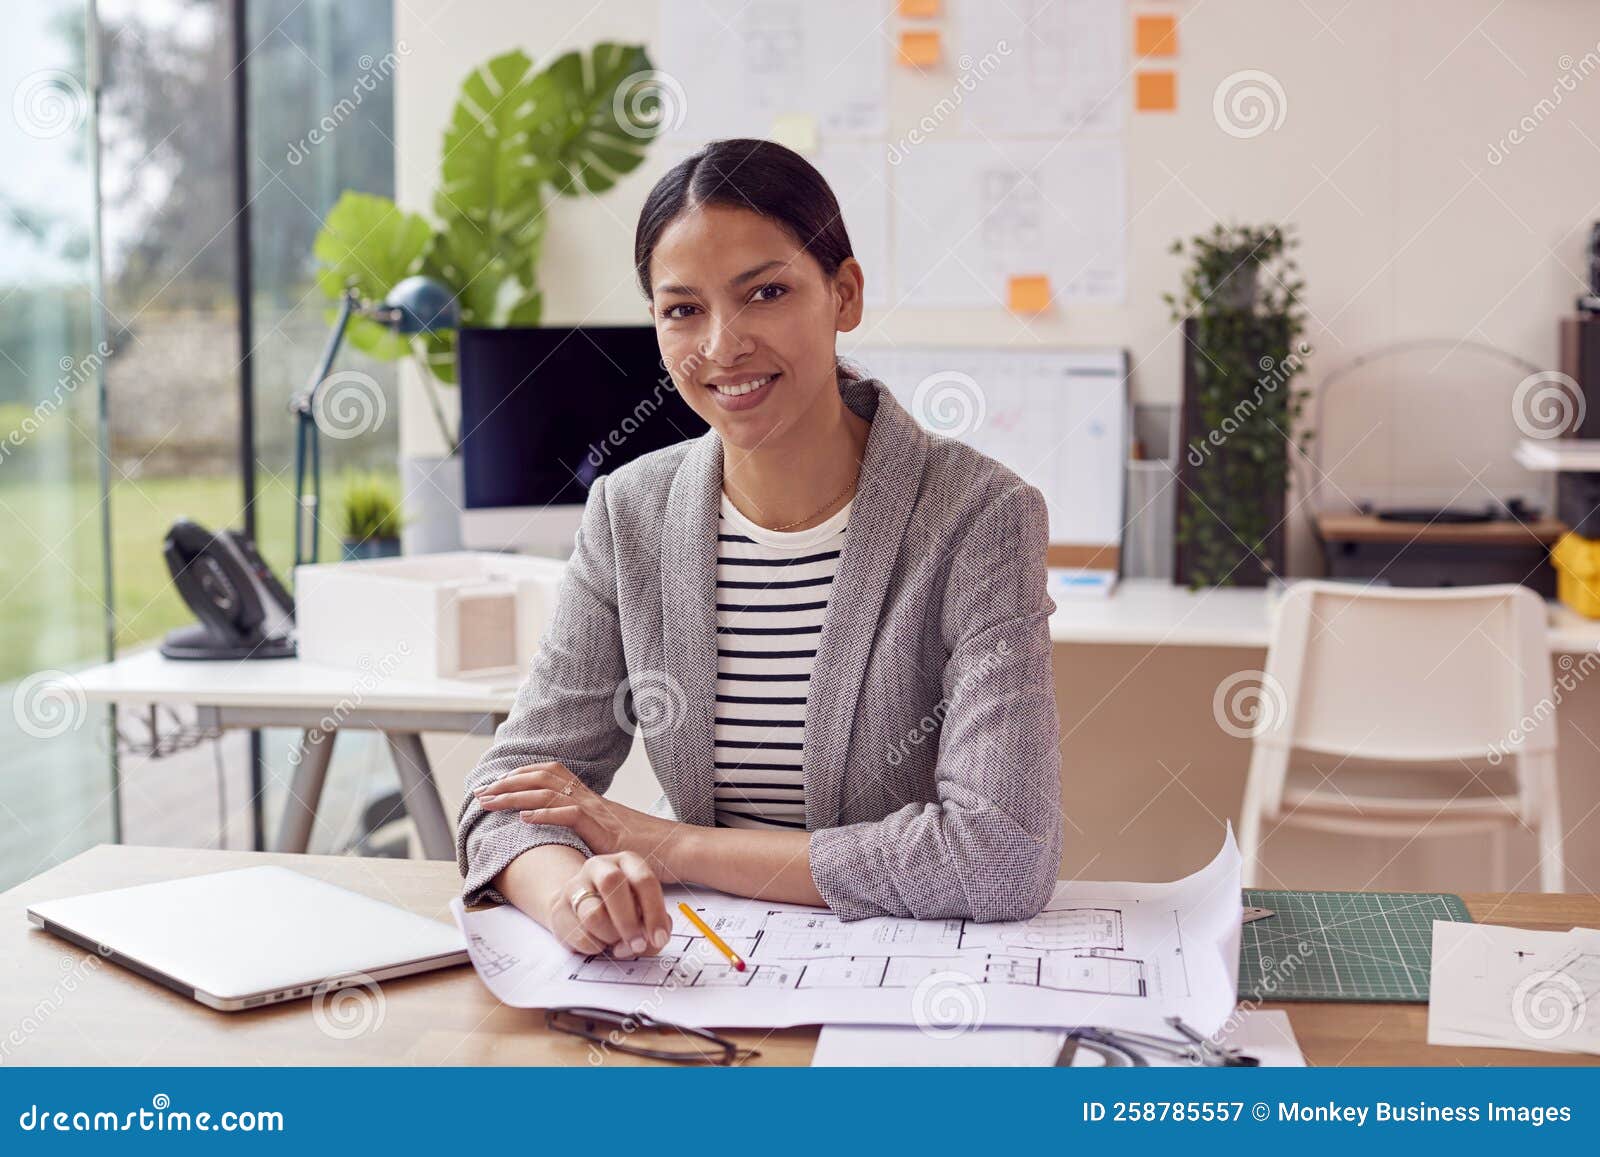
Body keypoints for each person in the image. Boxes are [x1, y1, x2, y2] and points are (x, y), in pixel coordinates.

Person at [457, 138, 1062, 962]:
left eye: (766, 292)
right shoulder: (628, 512)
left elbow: (1001, 858)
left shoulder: (980, 516)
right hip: (708, 972)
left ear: (843, 294)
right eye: (683, 310)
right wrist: (575, 897)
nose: (722, 345)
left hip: (913, 989)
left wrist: (667, 845)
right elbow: (509, 798)